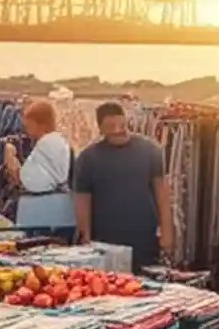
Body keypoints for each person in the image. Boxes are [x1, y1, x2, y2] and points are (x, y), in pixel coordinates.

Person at [73, 103, 173, 271]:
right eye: (111, 126)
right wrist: (86, 240)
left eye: (121, 124)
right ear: (101, 129)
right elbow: (82, 200)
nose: (118, 130)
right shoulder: (88, 158)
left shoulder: (150, 150)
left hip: (144, 236)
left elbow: (161, 193)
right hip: (105, 239)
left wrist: (167, 232)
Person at [5, 100, 75, 236]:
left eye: (29, 126)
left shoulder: (46, 146)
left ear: (42, 125)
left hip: (42, 213)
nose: (27, 131)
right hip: (61, 212)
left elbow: (30, 182)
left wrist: (11, 159)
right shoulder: (62, 144)